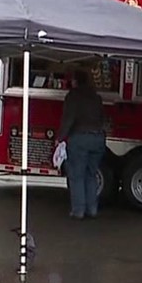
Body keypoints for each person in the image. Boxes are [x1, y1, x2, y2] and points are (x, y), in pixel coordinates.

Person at [56, 69, 107, 220]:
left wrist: (60, 137)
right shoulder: (96, 97)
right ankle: (92, 209)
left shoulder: (73, 96)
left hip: (80, 138)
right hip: (98, 138)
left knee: (77, 175)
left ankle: (78, 211)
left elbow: (69, 118)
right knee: (91, 174)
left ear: (75, 81)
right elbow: (102, 119)